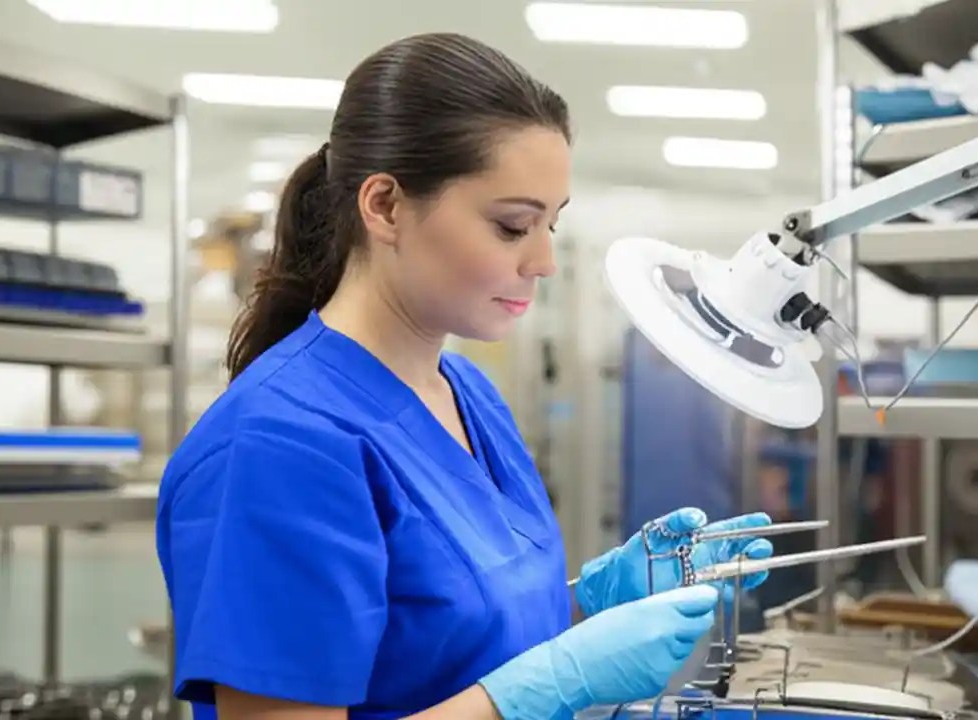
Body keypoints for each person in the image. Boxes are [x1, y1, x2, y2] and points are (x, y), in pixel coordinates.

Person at [155, 32, 776, 720]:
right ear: (385, 206)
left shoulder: (467, 393)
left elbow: (433, 642)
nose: (543, 261)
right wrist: (553, 682)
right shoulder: (280, 445)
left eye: (551, 226)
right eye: (513, 227)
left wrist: (587, 605)